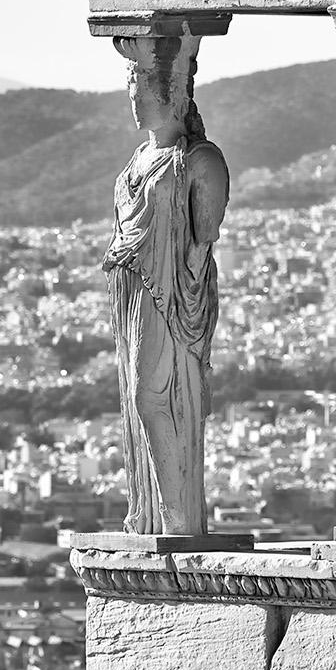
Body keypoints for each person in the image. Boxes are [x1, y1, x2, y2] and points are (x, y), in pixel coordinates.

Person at [103, 35, 227, 536]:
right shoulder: (135, 163)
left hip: (172, 293)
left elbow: (203, 239)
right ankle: (155, 512)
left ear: (174, 95)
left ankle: (179, 520)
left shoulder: (200, 160)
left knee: (152, 398)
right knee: (138, 398)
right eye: (131, 89)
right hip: (133, 291)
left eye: (144, 90)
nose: (135, 101)